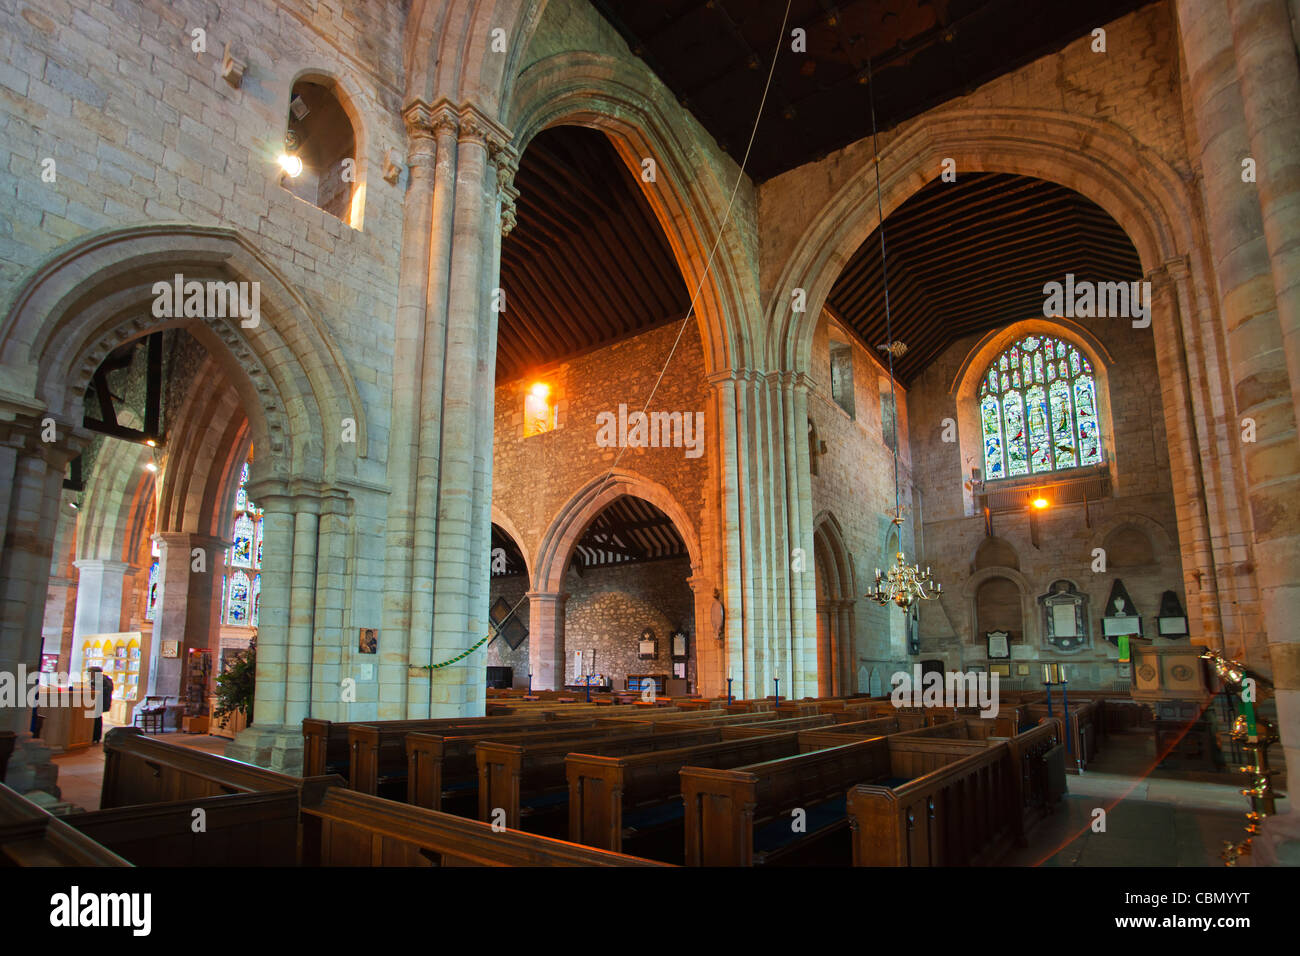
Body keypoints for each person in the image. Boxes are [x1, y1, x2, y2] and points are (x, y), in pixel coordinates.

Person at [88, 666, 113, 743]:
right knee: (97, 719)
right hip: (103, 702)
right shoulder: (106, 679)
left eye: (89, 672)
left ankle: (94, 736)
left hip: (98, 702)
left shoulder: (99, 680)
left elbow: (97, 691)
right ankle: (96, 737)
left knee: (95, 720)